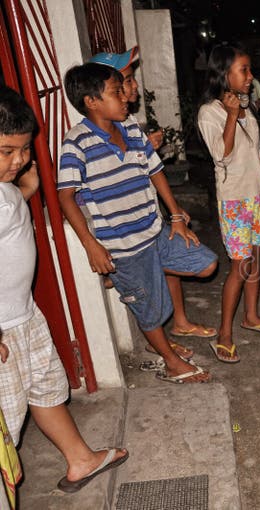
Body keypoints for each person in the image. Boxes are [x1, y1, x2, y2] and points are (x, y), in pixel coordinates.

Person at [0, 86, 129, 493]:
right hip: (2, 330)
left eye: (23, 149)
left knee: (46, 387)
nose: (19, 159)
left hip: (24, 313)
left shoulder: (5, 185)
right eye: (7, 151)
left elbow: (9, 209)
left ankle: (81, 459)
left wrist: (27, 189)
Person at [57, 63, 216, 383]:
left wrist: (175, 216)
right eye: (116, 92)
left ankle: (128, 280)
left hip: (154, 230)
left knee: (206, 264)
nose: (126, 98)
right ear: (92, 101)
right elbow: (65, 197)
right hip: (123, 246)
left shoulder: (130, 128)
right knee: (149, 310)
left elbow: (155, 171)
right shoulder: (76, 143)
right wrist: (91, 244)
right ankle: (171, 363)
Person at [90, 46, 218, 350]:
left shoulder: (126, 122)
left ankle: (180, 323)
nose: (133, 86)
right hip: (125, 232)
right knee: (155, 270)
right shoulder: (97, 132)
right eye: (127, 80)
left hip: (148, 215)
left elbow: (149, 168)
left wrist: (174, 213)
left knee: (167, 259)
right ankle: (156, 335)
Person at [198, 44, 260, 363]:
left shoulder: (247, 106)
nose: (250, 76)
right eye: (244, 70)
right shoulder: (210, 112)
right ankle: (224, 333)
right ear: (224, 74)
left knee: (257, 258)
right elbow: (222, 154)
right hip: (235, 199)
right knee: (240, 265)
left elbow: (249, 150)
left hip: (259, 191)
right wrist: (233, 115)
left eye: (249, 69)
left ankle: (251, 316)